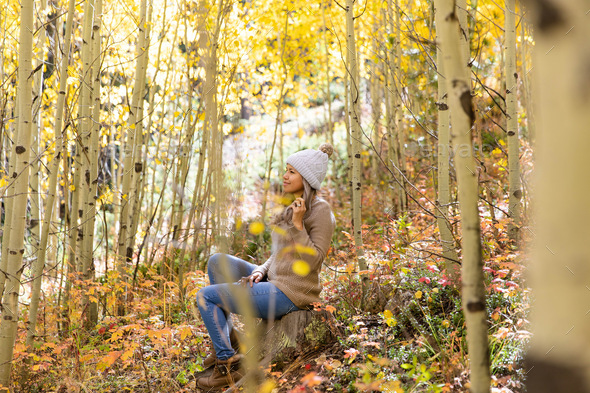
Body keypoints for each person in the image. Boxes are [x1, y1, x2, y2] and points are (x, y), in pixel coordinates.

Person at [195, 143, 336, 391]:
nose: (285, 175)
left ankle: (226, 365)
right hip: (275, 281)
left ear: (306, 179)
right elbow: (280, 254)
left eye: (292, 171)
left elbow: (313, 261)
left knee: (206, 297)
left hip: (293, 294)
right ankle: (231, 342)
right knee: (218, 261)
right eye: (286, 169)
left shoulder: (321, 212)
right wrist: (261, 269)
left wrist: (298, 224)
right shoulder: (292, 206)